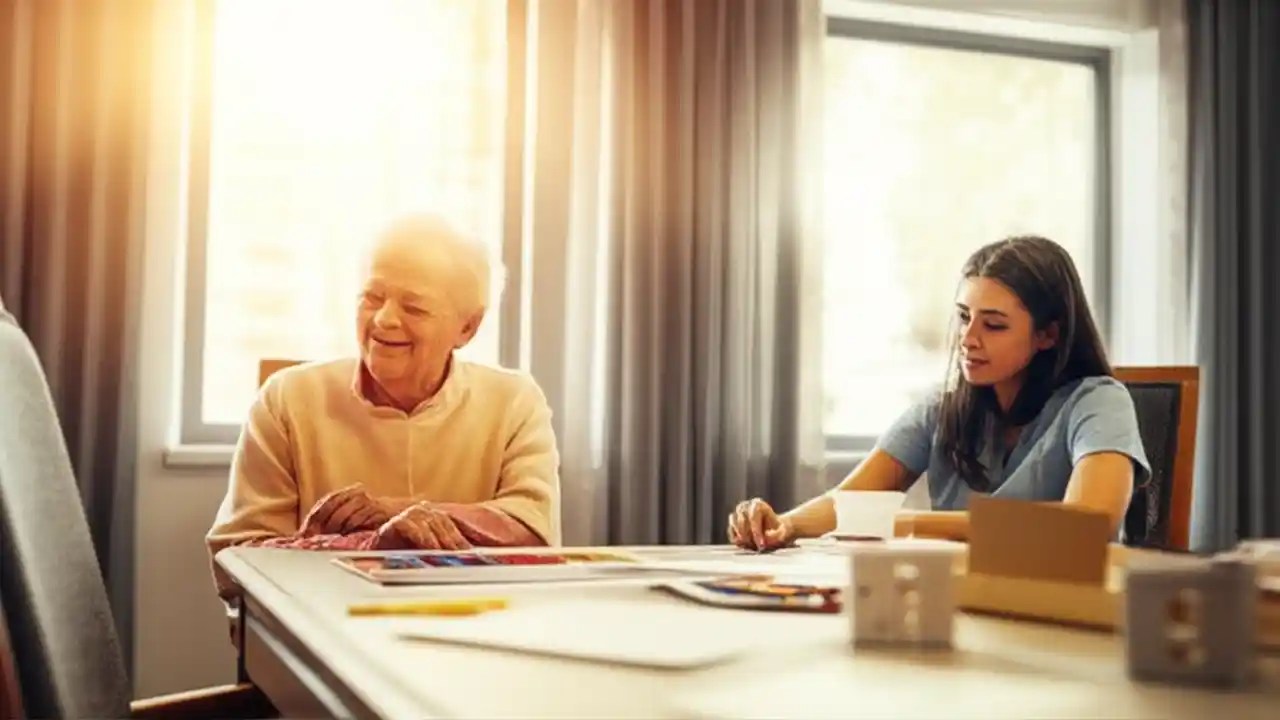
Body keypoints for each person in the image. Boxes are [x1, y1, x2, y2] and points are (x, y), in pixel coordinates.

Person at [206, 215, 560, 604]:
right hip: (326, 625)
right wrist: (374, 542)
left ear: (467, 328)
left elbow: (532, 529)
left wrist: (401, 512)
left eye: (414, 307)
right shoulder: (287, 397)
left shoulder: (514, 399)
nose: (384, 319)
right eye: (372, 297)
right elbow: (237, 556)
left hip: (481, 624)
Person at [730, 235, 1148, 551]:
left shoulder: (1099, 402)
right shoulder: (940, 409)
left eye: (994, 325)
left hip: (1067, 613)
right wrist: (784, 524)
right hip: (965, 602)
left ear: (1047, 334)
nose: (967, 339)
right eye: (964, 317)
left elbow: (1085, 526)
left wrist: (913, 525)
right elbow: (853, 500)